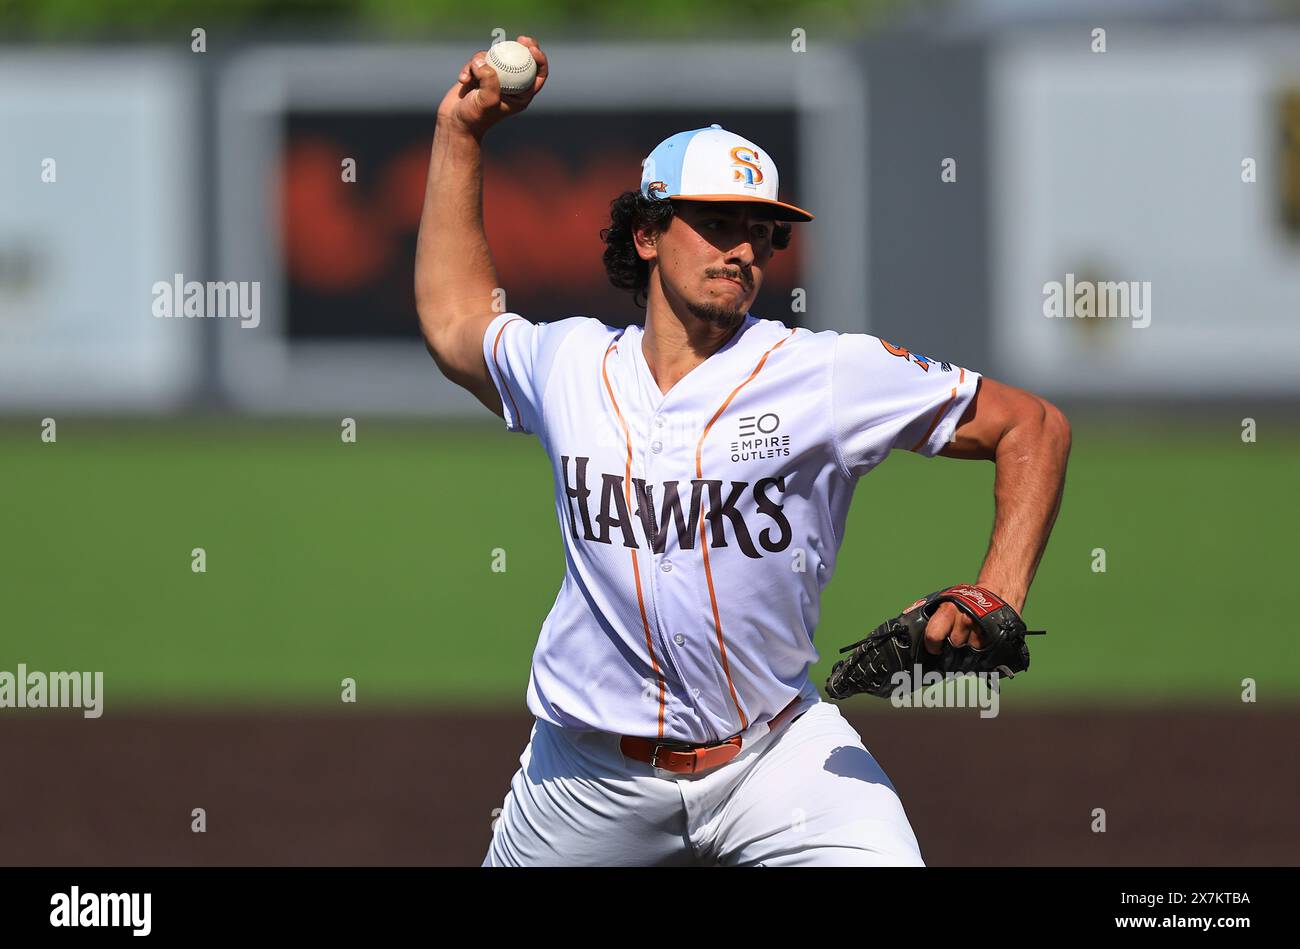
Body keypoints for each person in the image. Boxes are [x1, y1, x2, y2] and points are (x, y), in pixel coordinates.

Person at [414, 37, 1072, 866]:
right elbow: (453, 321)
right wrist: (461, 133)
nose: (744, 248)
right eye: (716, 222)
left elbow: (1032, 426)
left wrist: (997, 592)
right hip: (585, 777)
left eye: (760, 230)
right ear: (649, 235)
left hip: (776, 758)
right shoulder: (570, 363)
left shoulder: (825, 373)